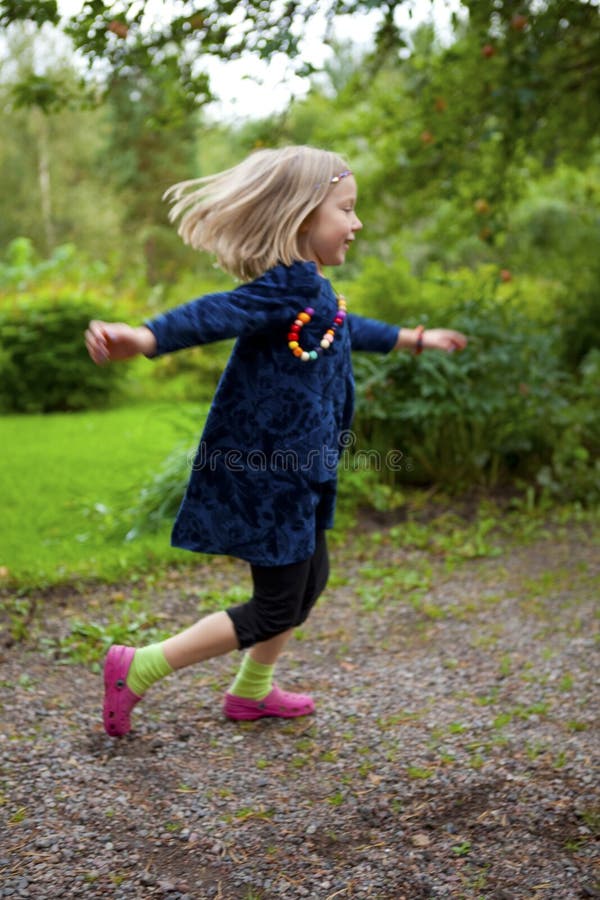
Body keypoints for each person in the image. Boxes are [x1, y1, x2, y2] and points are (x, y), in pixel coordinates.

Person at [85, 145, 467, 738]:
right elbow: (218, 313)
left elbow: (347, 327)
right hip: (271, 472)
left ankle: (252, 692)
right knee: (276, 605)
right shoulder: (284, 288)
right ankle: (138, 667)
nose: (356, 223)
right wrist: (145, 336)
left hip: (303, 468)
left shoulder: (312, 289)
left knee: (308, 583)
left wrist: (415, 338)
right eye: (346, 209)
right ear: (302, 216)